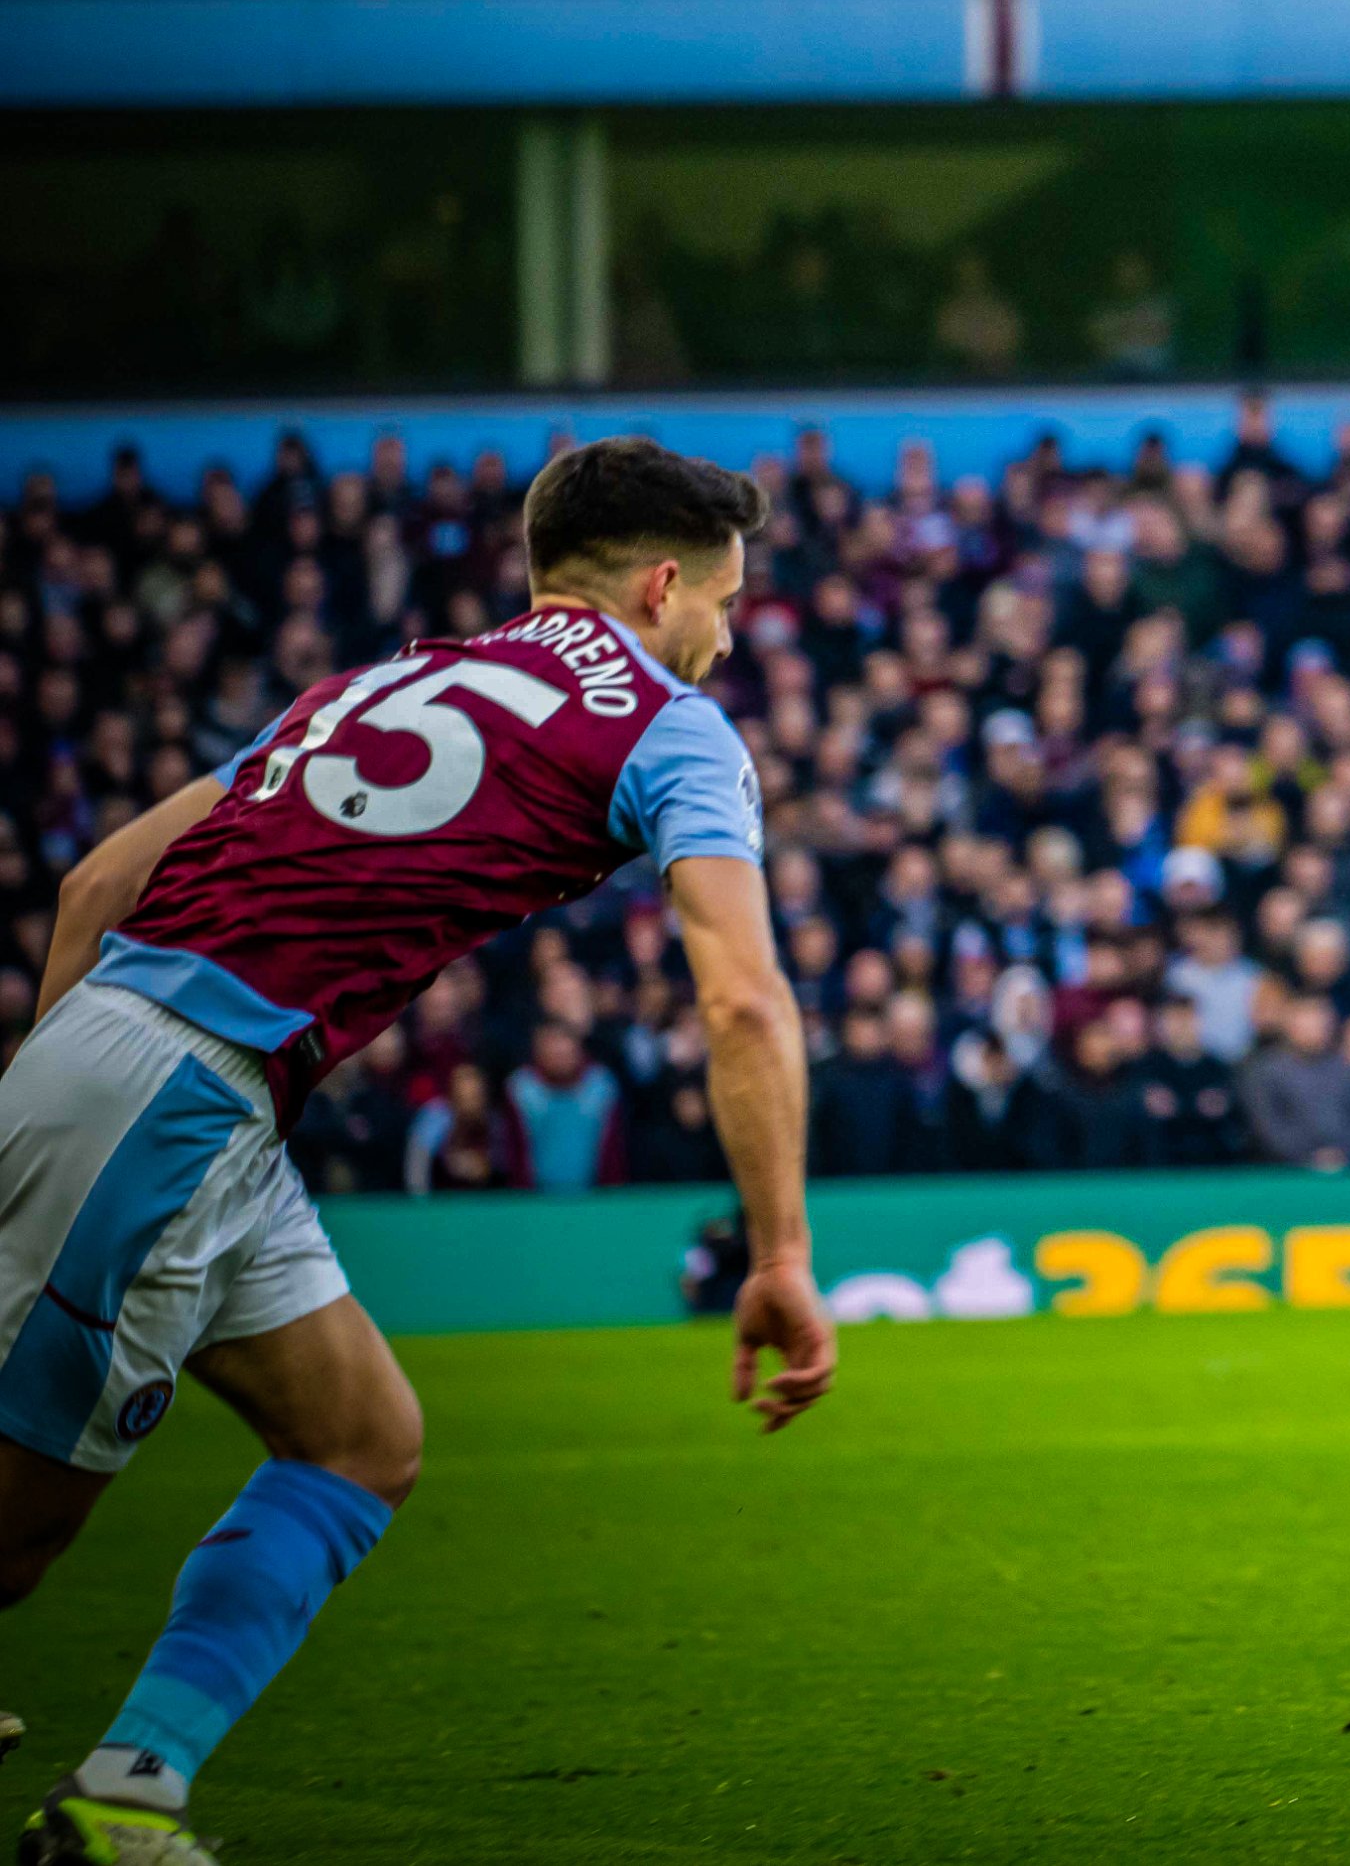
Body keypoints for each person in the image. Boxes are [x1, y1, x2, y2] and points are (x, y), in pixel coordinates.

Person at [1, 437, 830, 1866]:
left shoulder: (376, 682)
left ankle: (126, 1796)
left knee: (361, 1440)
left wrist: (58, 1093)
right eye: (728, 601)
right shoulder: (668, 724)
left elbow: (98, 883)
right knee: (17, 1535)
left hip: (148, 1070)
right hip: (182, 1101)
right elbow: (745, 995)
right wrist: (781, 1253)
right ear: (662, 581)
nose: (726, 633)